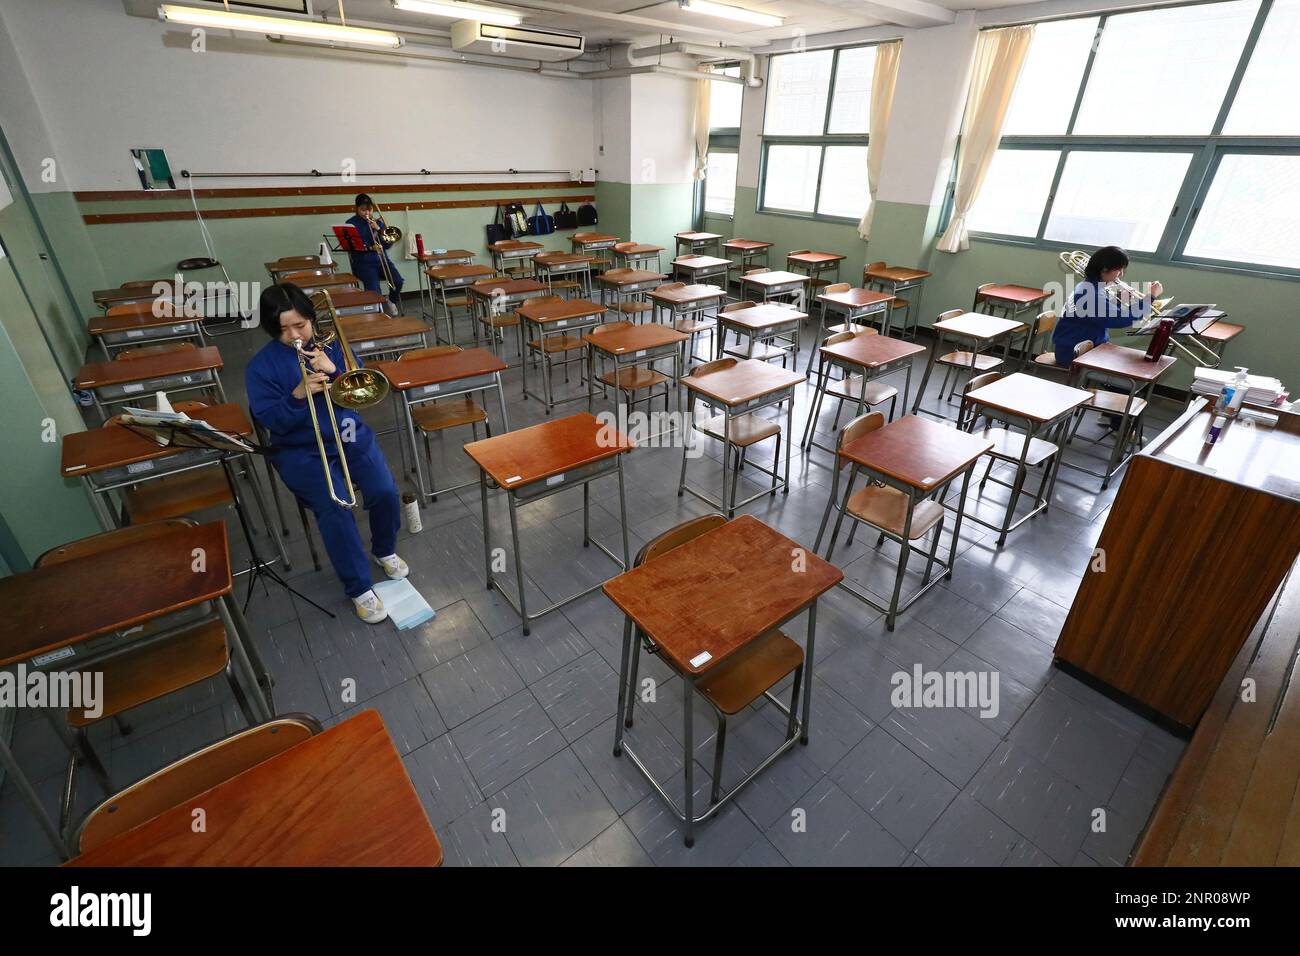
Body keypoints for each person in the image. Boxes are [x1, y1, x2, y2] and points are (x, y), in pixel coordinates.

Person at [246, 283, 407, 623]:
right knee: (336, 504)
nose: (293, 335)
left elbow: (364, 388)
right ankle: (359, 586)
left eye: (300, 325)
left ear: (311, 319)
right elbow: (271, 420)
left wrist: (335, 371)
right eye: (283, 328)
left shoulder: (331, 346)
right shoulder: (261, 367)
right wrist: (297, 396)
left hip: (348, 435)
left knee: (384, 490)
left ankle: (384, 550)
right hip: (299, 448)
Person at [1053, 245, 1163, 366]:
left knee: (1131, 361)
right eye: (1119, 269)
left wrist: (1119, 300)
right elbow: (1122, 319)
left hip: (1085, 345)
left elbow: (1098, 315)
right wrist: (1150, 297)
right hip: (1073, 353)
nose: (1121, 274)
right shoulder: (1090, 293)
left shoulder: (1091, 286)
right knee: (1132, 367)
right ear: (1105, 269)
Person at [346, 193, 404, 310]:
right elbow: (353, 247)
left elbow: (387, 246)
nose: (367, 213)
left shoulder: (378, 223)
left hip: (382, 260)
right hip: (363, 263)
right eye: (363, 210)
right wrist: (371, 248)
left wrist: (378, 229)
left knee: (398, 281)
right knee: (374, 291)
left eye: (370, 210)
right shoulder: (351, 224)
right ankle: (377, 314)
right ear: (356, 209)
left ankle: (391, 300)